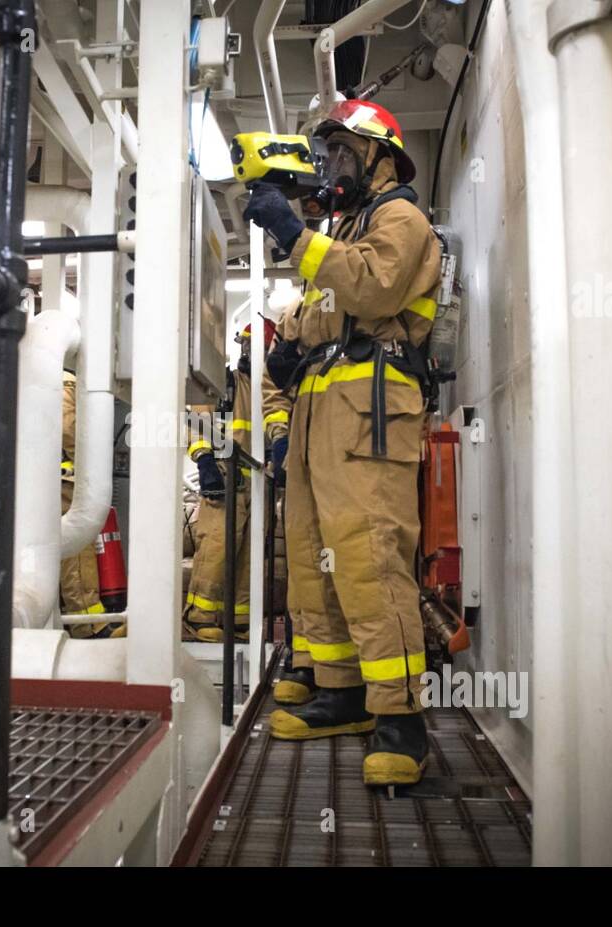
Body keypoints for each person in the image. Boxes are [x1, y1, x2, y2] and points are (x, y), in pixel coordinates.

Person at [245, 99, 443, 787]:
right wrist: (284, 346)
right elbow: (318, 310)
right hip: (320, 413)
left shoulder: (401, 220)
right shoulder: (350, 229)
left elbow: (373, 286)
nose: (330, 168)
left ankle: (402, 719)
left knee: (367, 557)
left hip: (372, 410)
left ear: (380, 155)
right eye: (325, 156)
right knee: (313, 557)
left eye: (340, 154)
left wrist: (292, 234)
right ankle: (343, 690)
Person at [183, 316, 288, 643]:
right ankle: (199, 618)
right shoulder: (225, 383)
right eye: (243, 343)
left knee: (250, 555)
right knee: (217, 547)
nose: (245, 350)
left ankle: (238, 620)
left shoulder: (276, 390)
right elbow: (197, 419)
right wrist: (204, 461)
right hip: (226, 479)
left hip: (261, 482)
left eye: (252, 345)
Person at [59, 371, 122, 638]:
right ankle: (87, 625)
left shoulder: (42, 378)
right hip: (66, 482)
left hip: (58, 481)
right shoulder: (65, 381)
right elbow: (68, 430)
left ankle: (83, 620)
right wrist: (91, 464)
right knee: (77, 555)